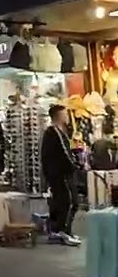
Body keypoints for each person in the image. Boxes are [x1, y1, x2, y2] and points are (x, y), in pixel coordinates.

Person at [41, 104, 81, 246]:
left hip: (58, 173)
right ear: (58, 116)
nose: (67, 117)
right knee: (69, 202)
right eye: (65, 114)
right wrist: (74, 166)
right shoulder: (54, 133)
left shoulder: (57, 132)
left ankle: (63, 231)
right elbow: (64, 154)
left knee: (65, 202)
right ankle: (63, 231)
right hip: (60, 174)